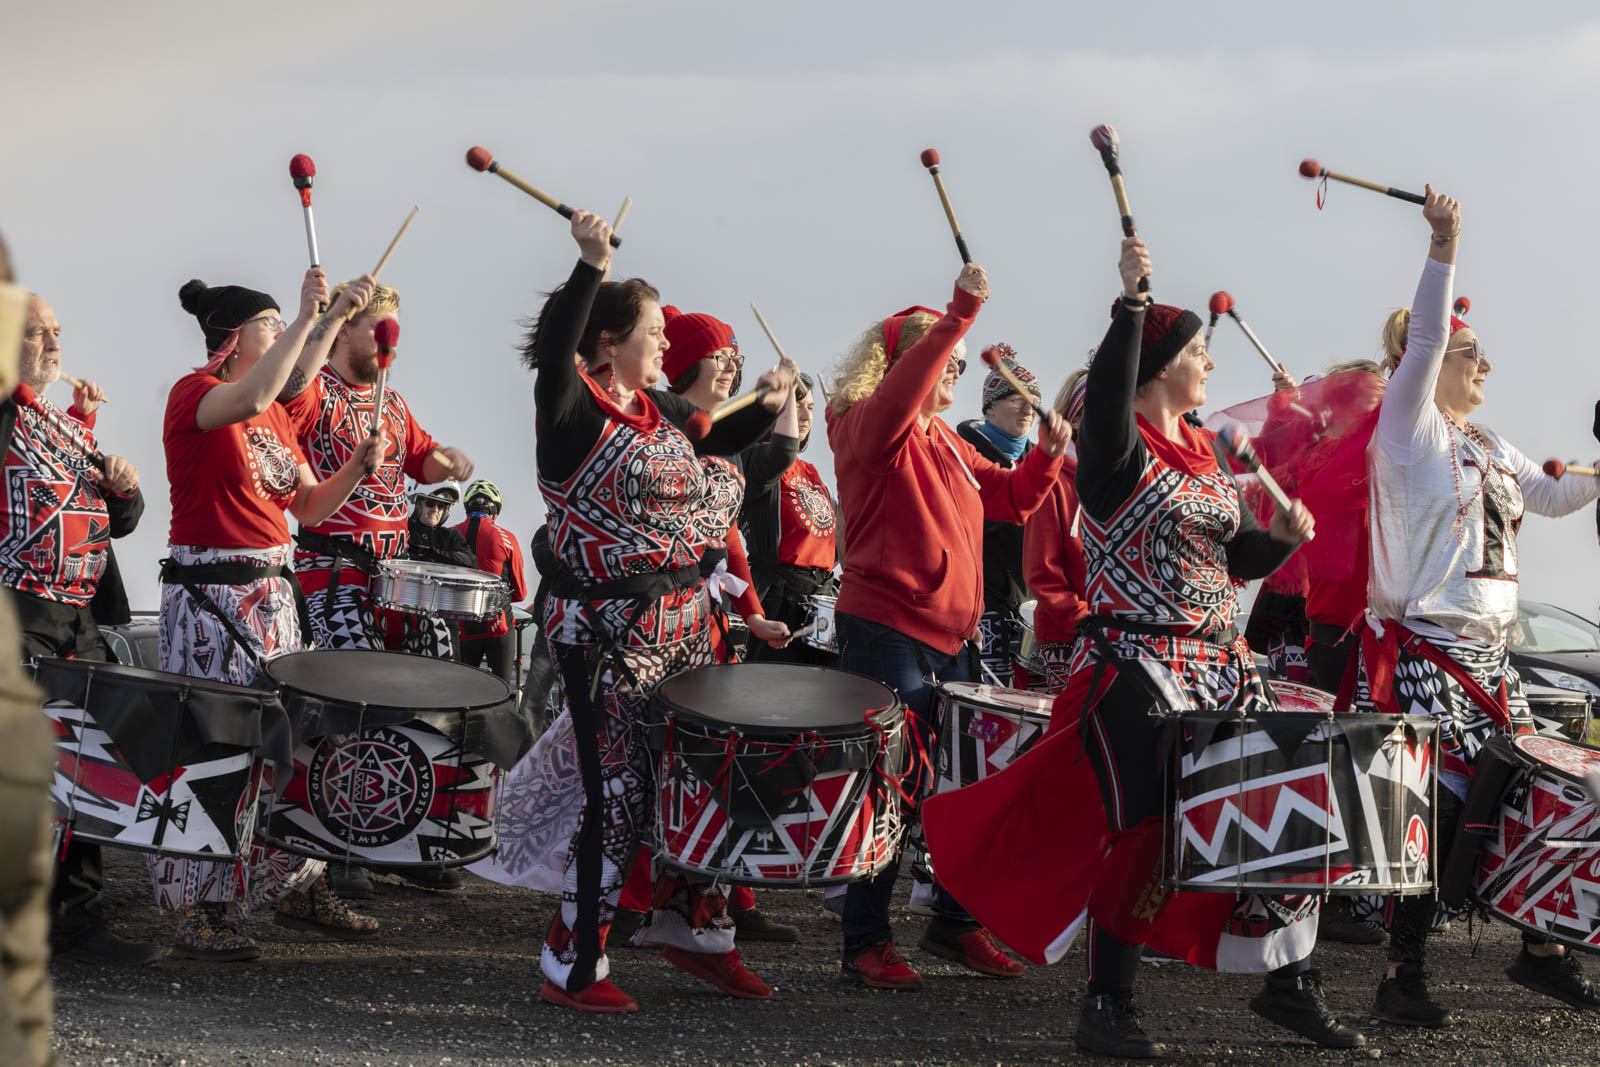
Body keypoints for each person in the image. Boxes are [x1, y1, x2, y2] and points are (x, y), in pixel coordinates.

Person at [526, 211, 790, 1012]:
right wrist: (589, 265)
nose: (667, 344)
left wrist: (774, 400)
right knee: (620, 794)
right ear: (609, 342)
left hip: (680, 627)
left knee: (700, 779)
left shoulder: (658, 413)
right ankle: (571, 962)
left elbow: (725, 438)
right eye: (651, 330)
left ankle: (698, 933)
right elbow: (552, 360)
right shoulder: (572, 413)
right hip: (607, 634)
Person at [1354, 188, 1600, 1025]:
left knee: (1535, 789)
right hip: (1431, 650)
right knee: (1444, 808)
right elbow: (1424, 335)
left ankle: (1541, 948)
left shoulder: (1491, 444)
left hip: (1493, 658)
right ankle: (1400, 972)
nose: (1486, 366)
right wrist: (1446, 240)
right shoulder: (1408, 431)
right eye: (1474, 353)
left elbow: (1555, 494)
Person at [825, 264, 1067, 989]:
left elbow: (1014, 498)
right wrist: (958, 316)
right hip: (887, 630)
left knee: (964, 787)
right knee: (889, 788)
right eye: (945, 356)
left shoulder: (945, 441)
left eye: (961, 358)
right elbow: (900, 398)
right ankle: (865, 942)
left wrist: (1051, 455)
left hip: (948, 640)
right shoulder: (868, 424)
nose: (957, 366)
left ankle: (953, 923)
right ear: (904, 363)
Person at [155, 271, 385, 959]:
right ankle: (200, 903)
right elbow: (261, 386)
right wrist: (318, 313)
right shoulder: (195, 394)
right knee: (217, 748)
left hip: (274, 595)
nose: (283, 330)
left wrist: (357, 468)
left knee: (293, 741)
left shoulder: (275, 416)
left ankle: (295, 878)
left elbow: (310, 507)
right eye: (271, 322)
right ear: (232, 338)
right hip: (212, 594)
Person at [1, 292, 159, 968]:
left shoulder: (65, 427)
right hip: (18, 612)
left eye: (56, 331)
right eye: (36, 332)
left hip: (78, 615)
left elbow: (115, 520)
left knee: (85, 761)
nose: (52, 342)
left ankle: (76, 922)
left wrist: (122, 487)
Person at [280, 280, 475, 658]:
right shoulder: (316, 392)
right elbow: (287, 390)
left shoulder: (394, 404)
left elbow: (422, 461)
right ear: (346, 329)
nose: (389, 340)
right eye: (377, 327)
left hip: (395, 581)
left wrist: (448, 459)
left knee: (440, 679)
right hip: (333, 576)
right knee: (358, 685)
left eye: (394, 330)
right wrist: (328, 316)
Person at [742, 373, 843, 666]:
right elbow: (780, 453)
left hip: (822, 600)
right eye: (794, 404)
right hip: (778, 599)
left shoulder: (811, 471)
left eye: (810, 407)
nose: (804, 415)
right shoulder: (756, 460)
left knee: (824, 703)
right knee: (774, 701)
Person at [956, 344, 1040, 684]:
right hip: (979, 605)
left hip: (1028, 611)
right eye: (1016, 399)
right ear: (990, 408)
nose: (1028, 408)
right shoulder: (964, 454)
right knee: (985, 708)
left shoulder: (1039, 462)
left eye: (1033, 400)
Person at [1019, 368, 1087, 692]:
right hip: (1068, 634)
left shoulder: (1120, 483)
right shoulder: (1053, 479)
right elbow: (1041, 571)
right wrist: (1083, 618)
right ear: (1075, 418)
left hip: (1114, 632)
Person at [454, 478, 529, 684]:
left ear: (468, 507)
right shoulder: (507, 538)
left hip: (462, 626)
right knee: (501, 692)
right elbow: (521, 593)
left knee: (460, 694)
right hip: (499, 625)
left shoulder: (450, 534)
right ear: (495, 512)